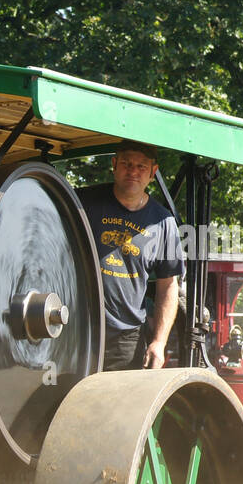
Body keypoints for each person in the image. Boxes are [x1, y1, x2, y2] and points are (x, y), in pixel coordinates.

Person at [78, 141, 184, 371]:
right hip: (77, 330)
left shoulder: (163, 222)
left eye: (141, 166)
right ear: (114, 165)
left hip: (126, 341)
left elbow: (168, 286)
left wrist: (159, 342)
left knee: (118, 406)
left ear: (153, 172)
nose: (133, 171)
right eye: (126, 164)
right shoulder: (83, 203)